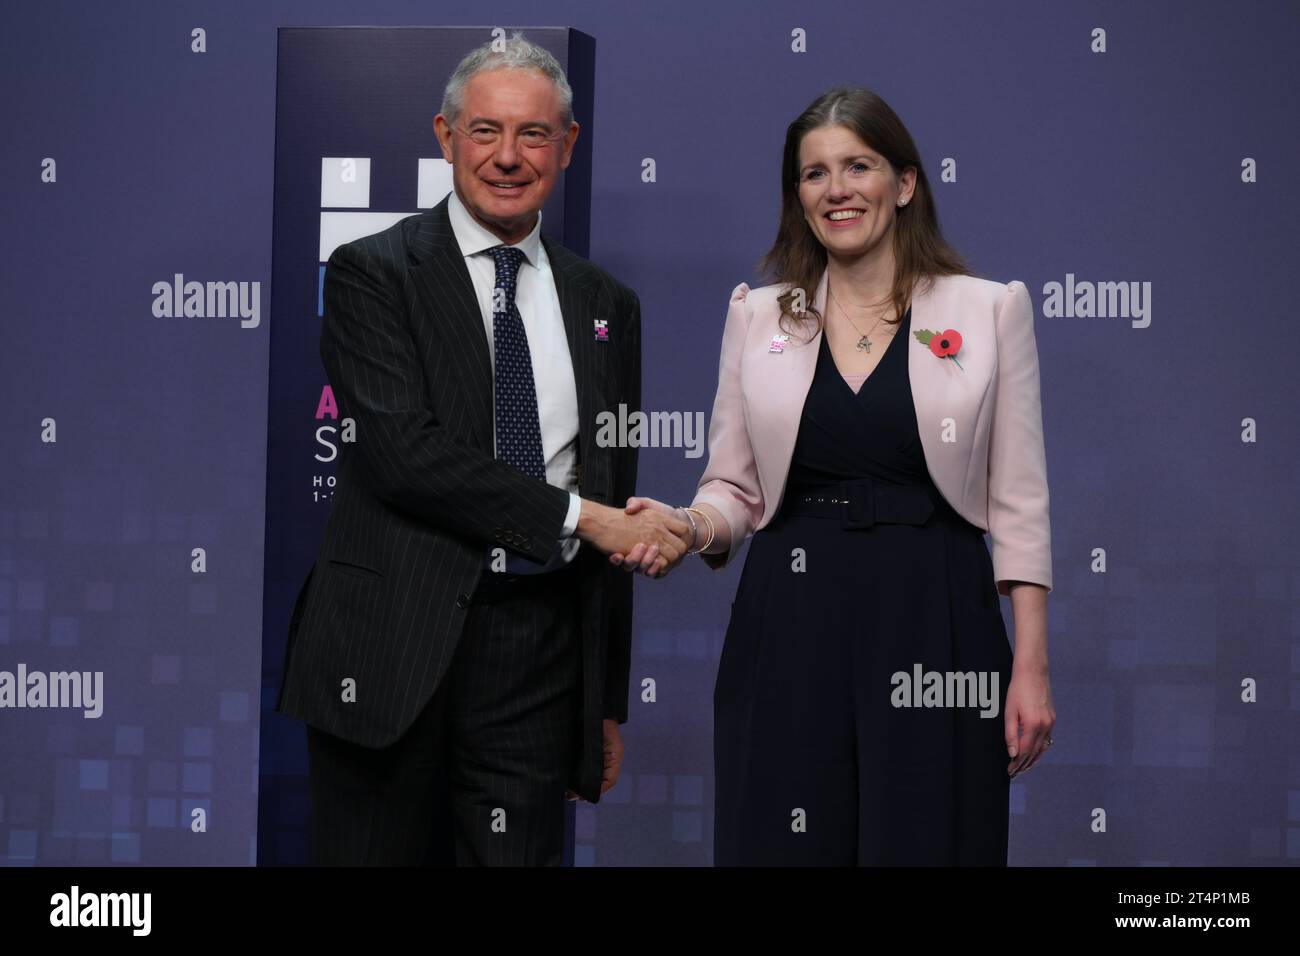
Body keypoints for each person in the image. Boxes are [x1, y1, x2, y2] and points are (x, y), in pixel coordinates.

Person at [612, 86, 1056, 865]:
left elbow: (1018, 501)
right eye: (814, 174)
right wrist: (687, 526)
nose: (837, 189)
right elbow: (735, 490)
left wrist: (1031, 665)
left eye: (858, 166)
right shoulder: (758, 317)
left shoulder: (989, 311)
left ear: (905, 183)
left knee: (929, 839)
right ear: (798, 196)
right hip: (790, 620)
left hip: (935, 618)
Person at [276, 32, 690, 866]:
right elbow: (403, 454)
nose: (508, 156)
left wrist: (601, 701)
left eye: (533, 134)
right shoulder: (370, 273)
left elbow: (612, 479)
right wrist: (583, 518)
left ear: (567, 145)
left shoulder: (607, 303)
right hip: (386, 648)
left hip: (535, 662)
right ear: (445, 136)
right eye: (485, 131)